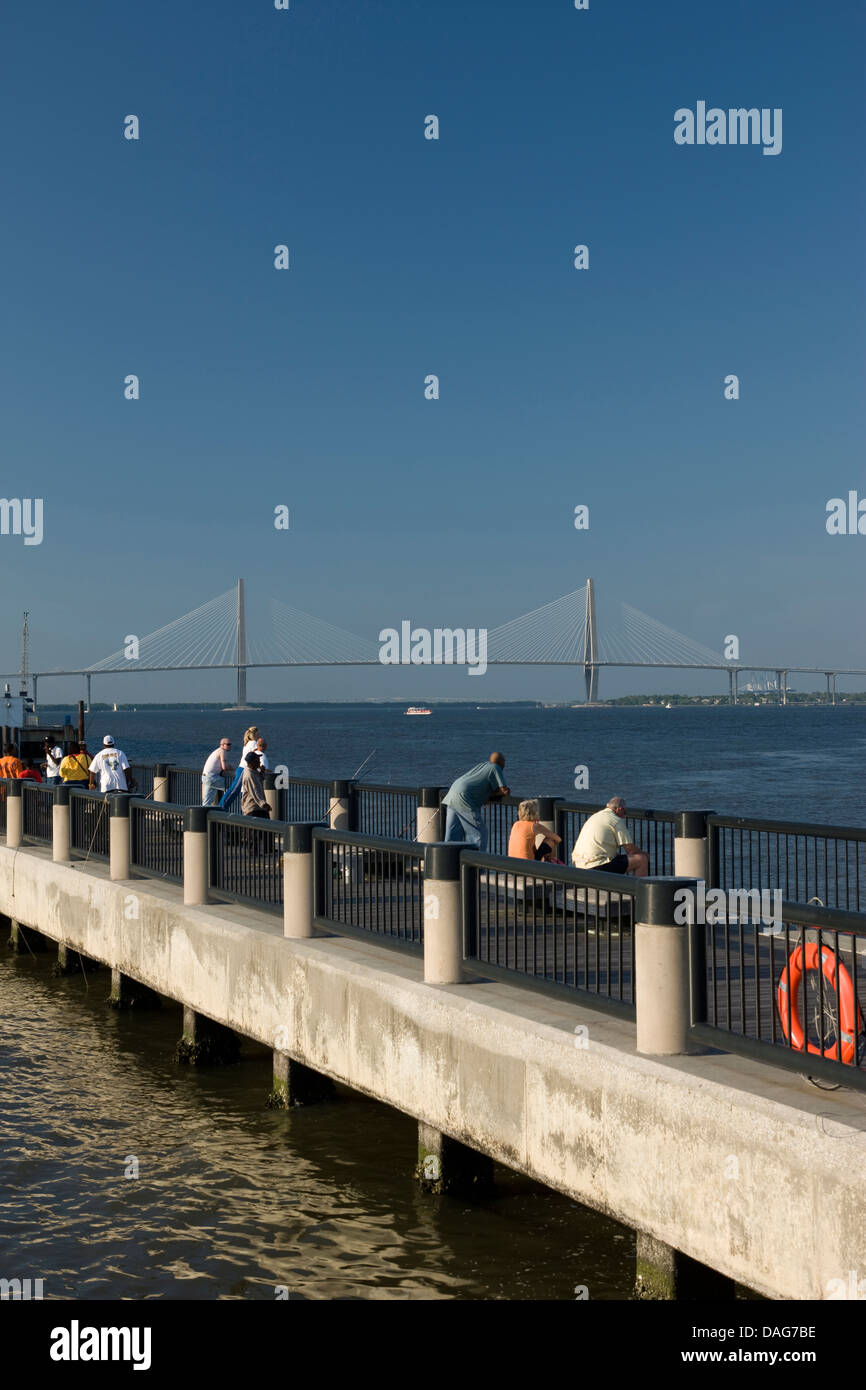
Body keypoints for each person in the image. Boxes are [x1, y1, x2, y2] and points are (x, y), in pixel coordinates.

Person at [442, 753, 510, 852]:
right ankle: (477, 866)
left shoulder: (483, 765)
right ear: (501, 762)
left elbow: (482, 785)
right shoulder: (496, 767)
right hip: (465, 798)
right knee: (480, 834)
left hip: (452, 793)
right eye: (504, 761)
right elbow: (504, 790)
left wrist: (488, 796)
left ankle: (448, 864)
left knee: (452, 837)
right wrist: (495, 796)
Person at [572, 797, 648, 876]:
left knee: (616, 856)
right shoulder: (616, 820)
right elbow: (630, 850)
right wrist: (645, 855)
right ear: (619, 809)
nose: (625, 815)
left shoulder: (595, 816)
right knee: (641, 859)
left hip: (579, 866)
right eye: (625, 811)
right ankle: (639, 888)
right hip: (597, 867)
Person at [202, 737, 234, 806]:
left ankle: (203, 815)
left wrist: (230, 767)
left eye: (230, 744)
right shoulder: (222, 751)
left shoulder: (217, 751)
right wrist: (233, 769)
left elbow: (223, 765)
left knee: (207, 802)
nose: (230, 746)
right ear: (222, 745)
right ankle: (222, 808)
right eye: (228, 744)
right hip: (212, 777)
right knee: (231, 789)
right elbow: (224, 767)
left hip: (205, 777)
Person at [240, 751, 271, 819]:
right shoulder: (249, 775)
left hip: (258, 808)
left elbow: (259, 780)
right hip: (252, 809)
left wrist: (261, 772)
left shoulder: (253, 771)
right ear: (252, 763)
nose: (260, 762)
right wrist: (264, 804)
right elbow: (254, 790)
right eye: (257, 760)